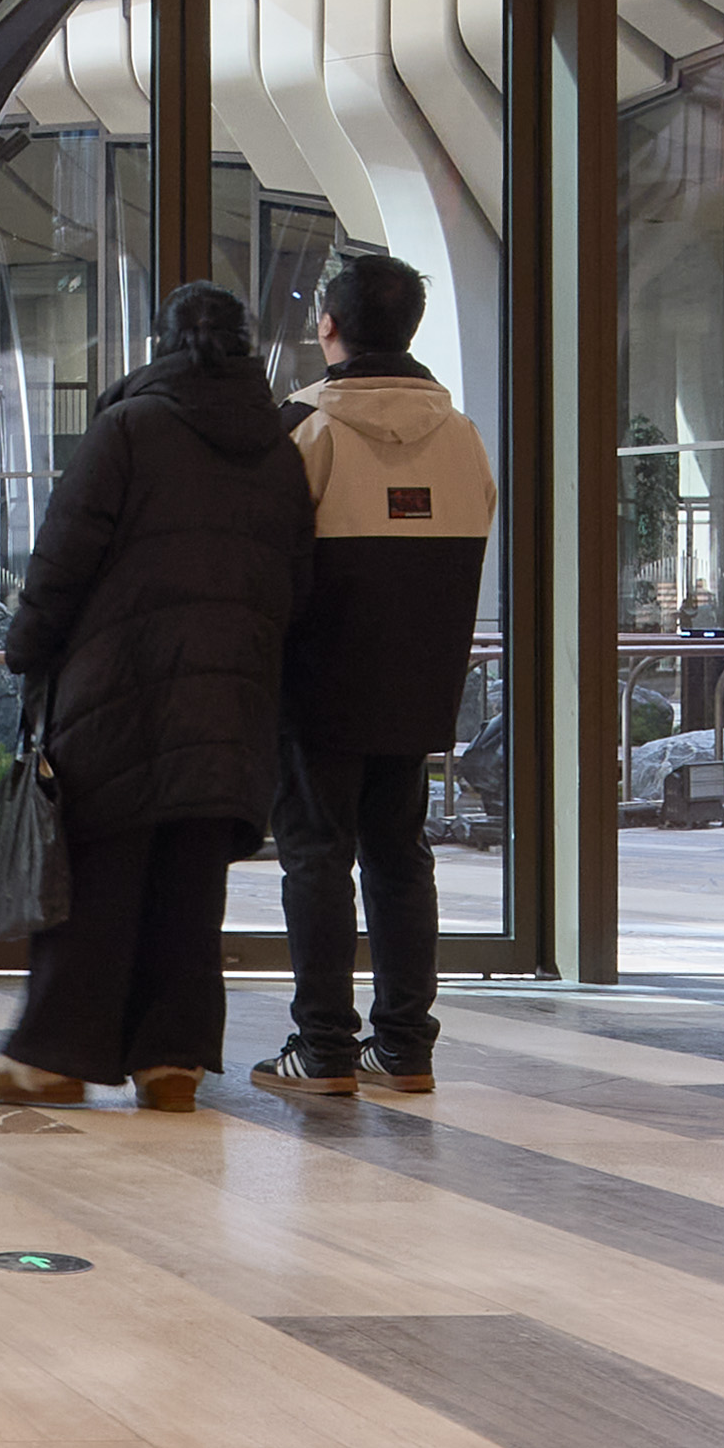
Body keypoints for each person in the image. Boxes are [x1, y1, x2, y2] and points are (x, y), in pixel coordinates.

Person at [0, 278, 308, 1115]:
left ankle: (52, 1057)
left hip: (119, 695)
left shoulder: (128, 428)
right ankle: (172, 1062)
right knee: (190, 891)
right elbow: (296, 583)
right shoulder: (278, 448)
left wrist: (28, 648)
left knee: (95, 881)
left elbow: (62, 554)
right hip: (230, 706)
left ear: (161, 345)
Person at [254, 249, 492, 1110]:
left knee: (316, 859)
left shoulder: (303, 429)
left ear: (328, 326)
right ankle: (403, 1046)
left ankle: (322, 1046)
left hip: (317, 686)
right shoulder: (461, 436)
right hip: (420, 686)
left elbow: (270, 569)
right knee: (401, 856)